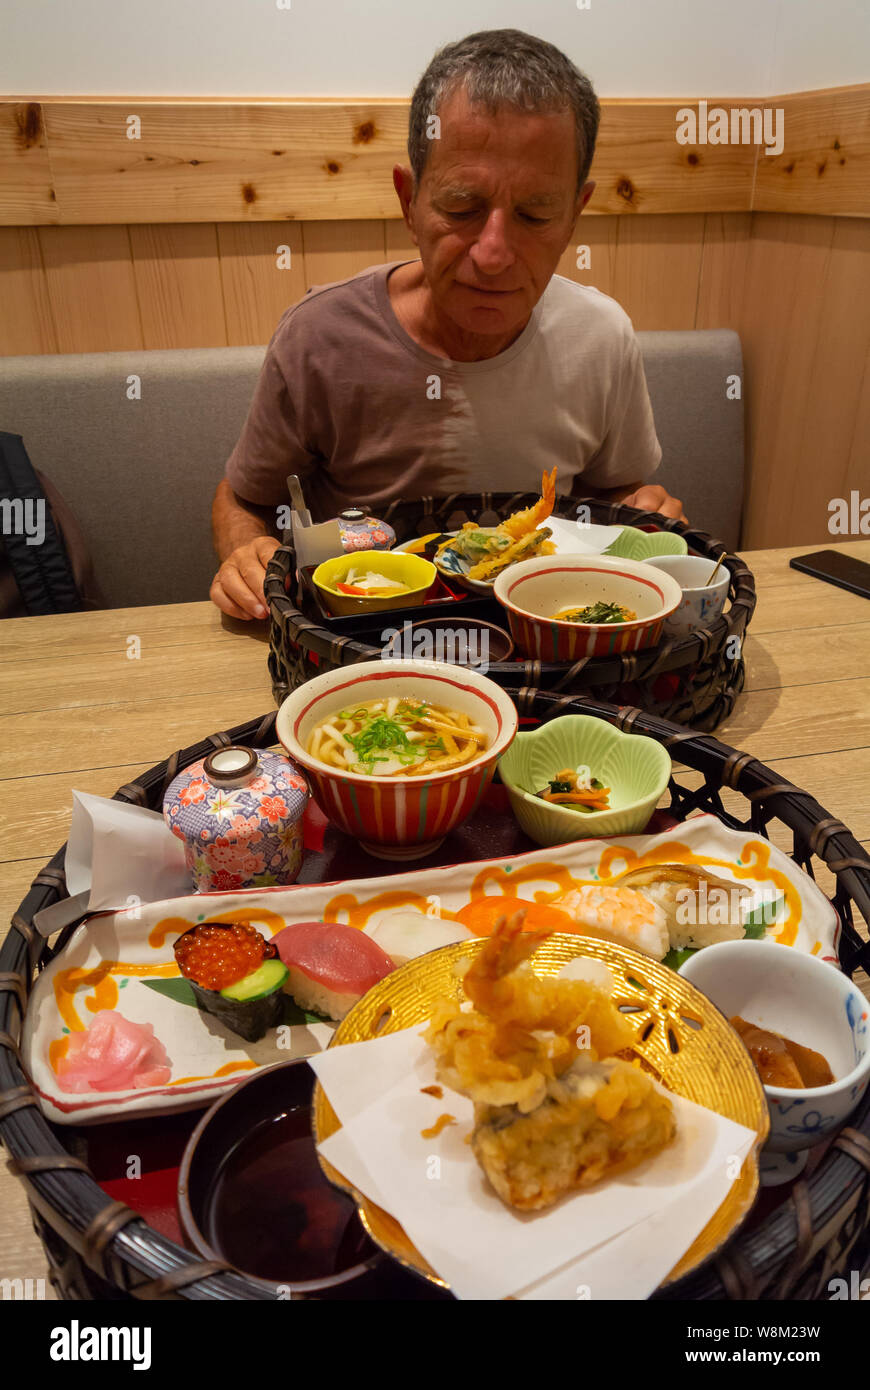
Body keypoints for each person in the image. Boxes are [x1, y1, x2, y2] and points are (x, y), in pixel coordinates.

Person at [211, 29, 685, 620]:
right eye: (461, 207)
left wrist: (643, 510)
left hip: (547, 632)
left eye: (536, 214)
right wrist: (244, 552)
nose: (493, 253)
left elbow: (615, 495)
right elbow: (245, 496)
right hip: (369, 635)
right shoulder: (321, 337)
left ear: (575, 215)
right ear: (409, 201)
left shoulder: (602, 336)